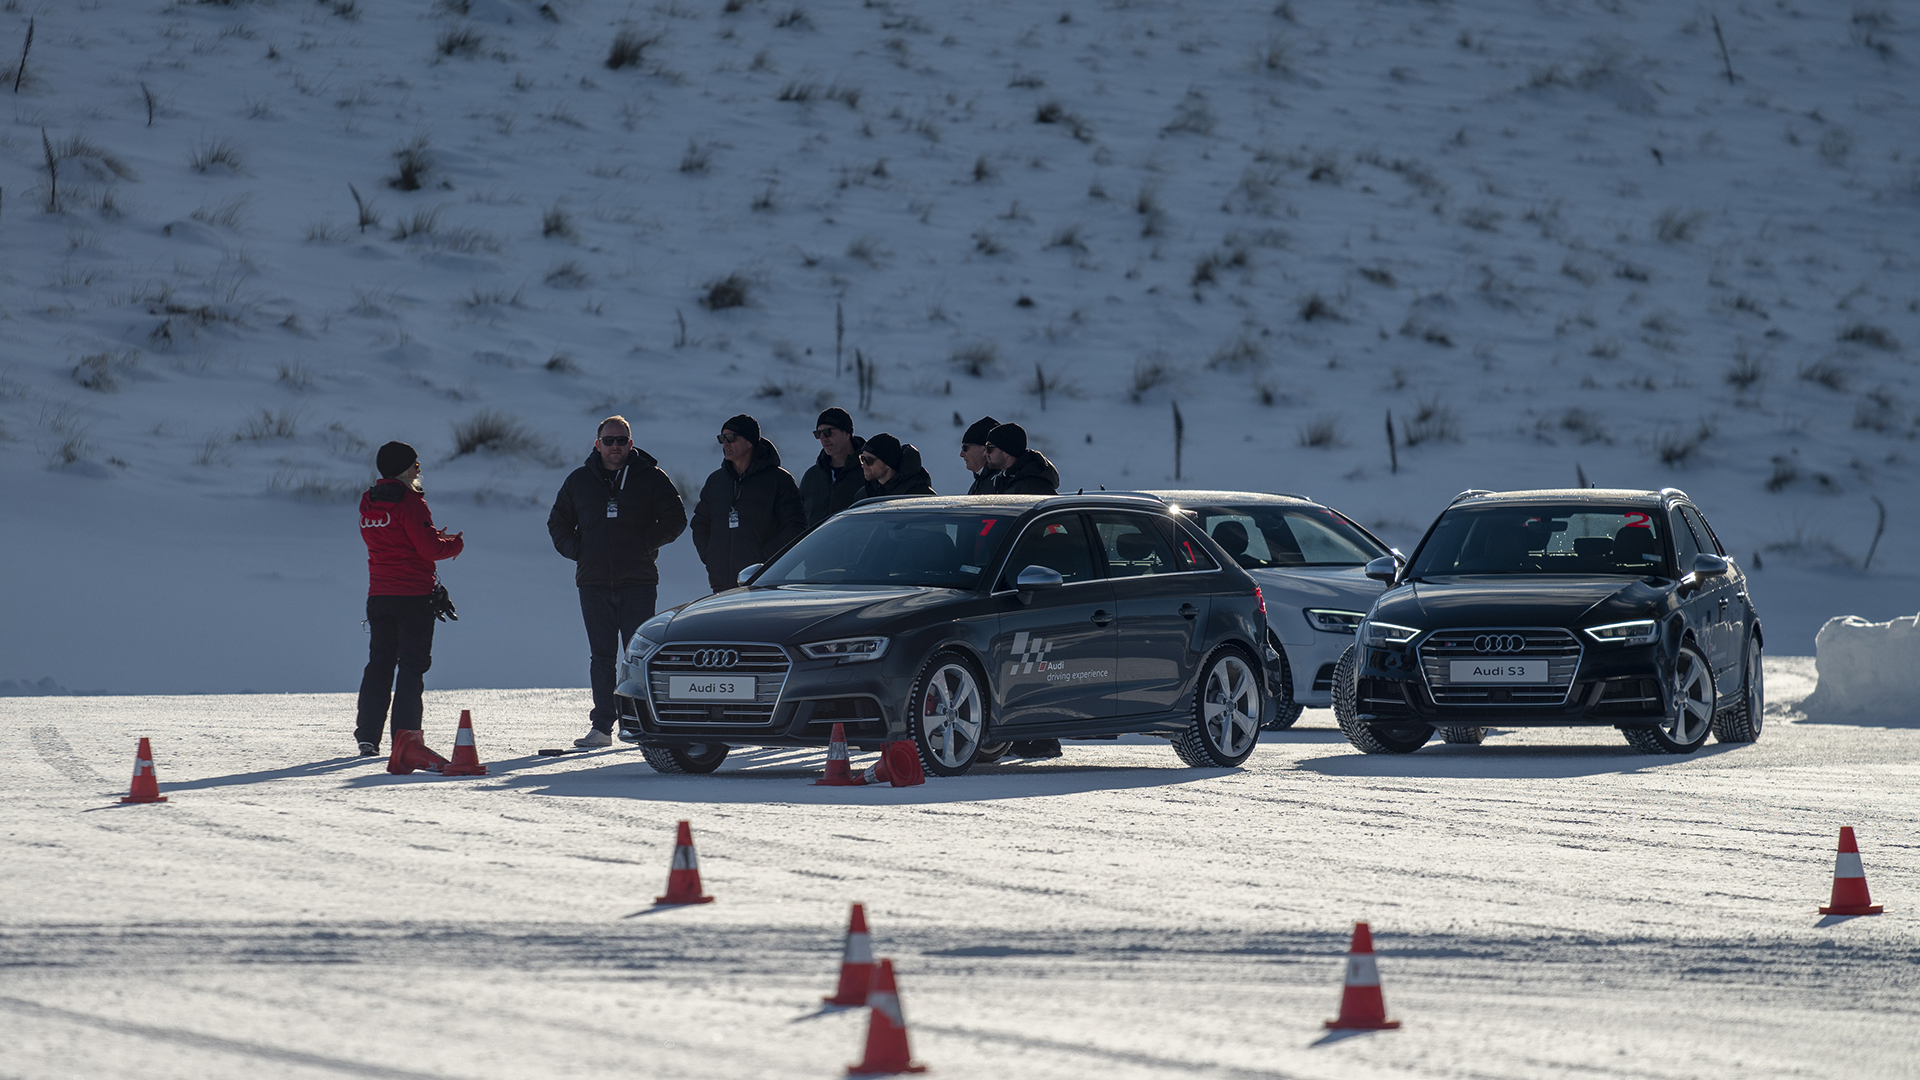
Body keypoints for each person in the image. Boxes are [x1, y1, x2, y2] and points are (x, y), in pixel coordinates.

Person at [548, 416, 688, 747]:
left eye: (621, 440)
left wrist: (645, 544)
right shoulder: (579, 481)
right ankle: (602, 728)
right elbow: (558, 522)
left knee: (639, 656)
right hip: (593, 583)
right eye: (609, 441)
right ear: (597, 445)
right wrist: (579, 551)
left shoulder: (650, 478)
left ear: (631, 443)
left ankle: (646, 724)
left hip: (638, 582)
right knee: (601, 657)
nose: (615, 447)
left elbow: (676, 518)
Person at [355, 441, 463, 757]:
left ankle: (367, 736)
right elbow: (428, 550)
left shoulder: (369, 502)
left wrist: (431, 535)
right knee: (412, 667)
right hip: (413, 597)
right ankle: (405, 738)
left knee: (379, 665)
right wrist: (454, 544)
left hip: (379, 595)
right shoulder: (411, 502)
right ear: (406, 469)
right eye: (416, 465)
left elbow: (398, 541)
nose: (419, 470)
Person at [690, 414, 805, 593]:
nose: (725, 444)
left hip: (764, 584)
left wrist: (764, 560)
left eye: (730, 438)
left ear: (750, 442)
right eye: (722, 438)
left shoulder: (778, 480)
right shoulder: (716, 481)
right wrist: (710, 555)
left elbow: (796, 526)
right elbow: (699, 522)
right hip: (721, 584)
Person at [800, 407, 866, 529]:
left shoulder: (868, 471)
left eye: (828, 432)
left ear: (847, 434)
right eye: (818, 434)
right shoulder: (812, 476)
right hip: (819, 547)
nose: (823, 439)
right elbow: (799, 518)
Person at [984, 422, 1060, 496]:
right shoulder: (1004, 480)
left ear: (1006, 451)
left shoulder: (1034, 486)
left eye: (990, 447)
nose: (985, 453)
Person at [855, 433, 936, 501]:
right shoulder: (864, 495)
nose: (863, 465)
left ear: (887, 463)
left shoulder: (919, 496)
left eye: (869, 460)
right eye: (862, 459)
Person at [960, 415, 999, 495]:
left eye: (965, 448)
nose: (961, 454)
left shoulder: (1000, 483)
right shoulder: (980, 482)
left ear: (985, 449)